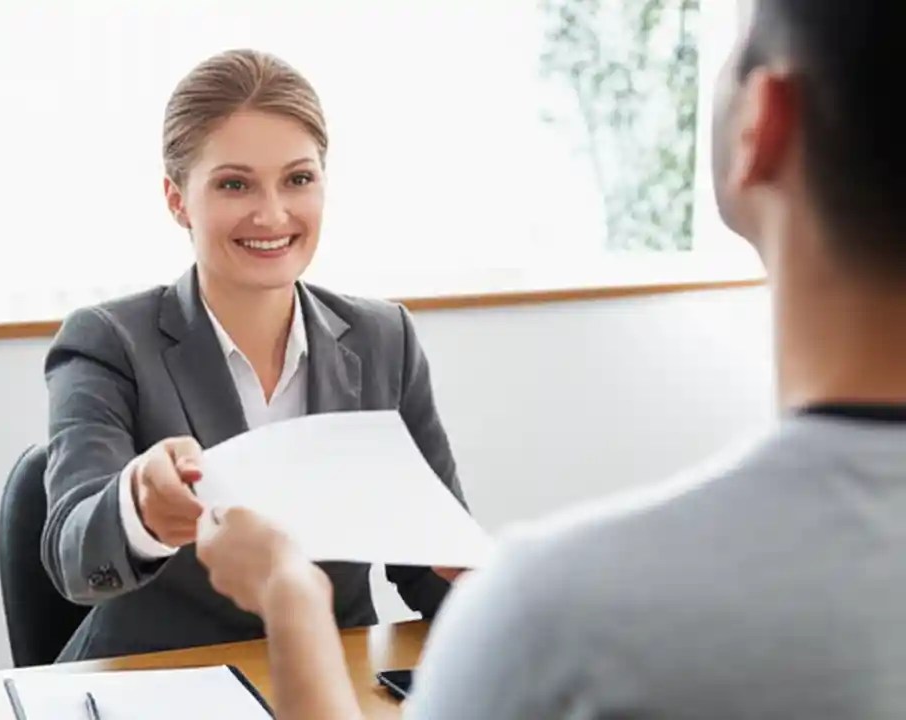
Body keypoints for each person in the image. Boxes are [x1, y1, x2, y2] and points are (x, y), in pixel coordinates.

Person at [195, 0, 906, 717]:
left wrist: (292, 597)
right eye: (234, 182)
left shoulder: (555, 614)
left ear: (764, 121)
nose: (271, 211)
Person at [40, 48, 470, 662]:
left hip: (332, 681)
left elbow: (431, 565)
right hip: (158, 685)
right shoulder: (109, 342)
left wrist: (495, 585)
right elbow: (74, 556)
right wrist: (141, 510)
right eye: (234, 184)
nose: (272, 214)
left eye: (298, 179)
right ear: (176, 199)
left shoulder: (384, 338)